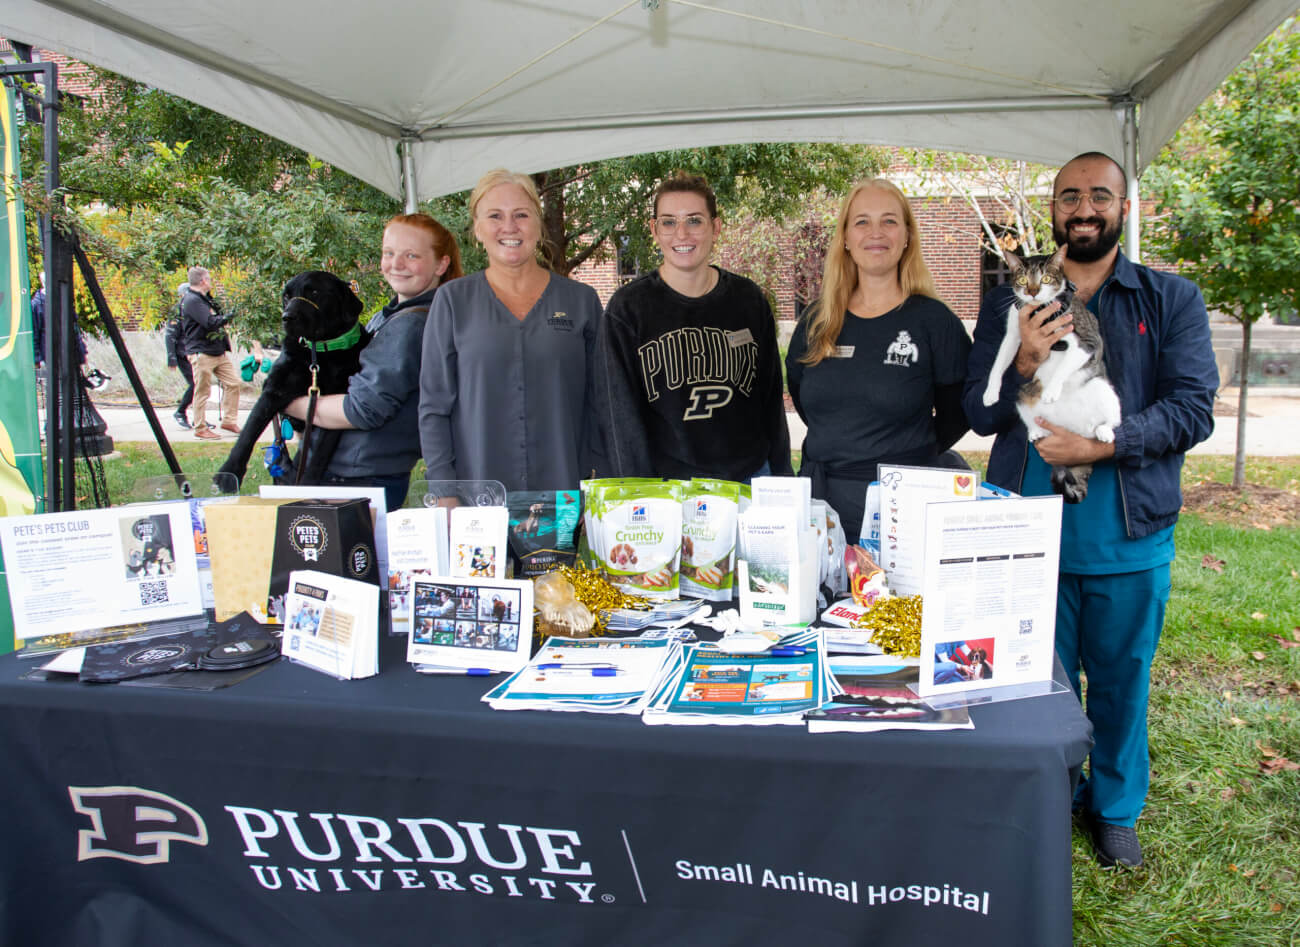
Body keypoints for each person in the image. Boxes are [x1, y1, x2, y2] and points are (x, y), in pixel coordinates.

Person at [964, 152, 1218, 869]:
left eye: (1099, 196)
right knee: (1033, 681)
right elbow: (977, 416)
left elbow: (1193, 409)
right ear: (1053, 211)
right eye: (1069, 196)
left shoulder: (1170, 300)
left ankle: (1113, 809)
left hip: (1128, 532)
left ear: (1123, 209)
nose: (1084, 207)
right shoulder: (1007, 305)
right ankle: (1047, 795)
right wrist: (1020, 364)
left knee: (1120, 677)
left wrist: (1103, 446)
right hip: (1028, 528)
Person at [785, 178, 971, 542]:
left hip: (901, 509)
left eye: (889, 221)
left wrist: (905, 452)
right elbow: (807, 399)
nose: (876, 233)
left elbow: (959, 411)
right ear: (845, 239)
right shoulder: (816, 321)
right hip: (820, 507)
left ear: (906, 237)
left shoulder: (934, 321)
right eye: (862, 222)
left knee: (893, 601)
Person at [596, 172, 792, 483]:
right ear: (654, 230)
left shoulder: (748, 301)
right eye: (669, 222)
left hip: (747, 479)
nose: (682, 234)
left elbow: (770, 402)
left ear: (715, 227)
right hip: (669, 487)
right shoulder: (629, 308)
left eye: (695, 221)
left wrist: (782, 479)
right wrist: (638, 492)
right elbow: (619, 417)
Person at [419, 169, 601, 492]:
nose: (509, 227)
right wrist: (444, 490)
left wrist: (597, 483)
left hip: (562, 498)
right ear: (477, 228)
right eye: (495, 216)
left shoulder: (581, 301)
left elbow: (601, 403)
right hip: (478, 502)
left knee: (555, 547)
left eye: (521, 214)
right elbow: (434, 406)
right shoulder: (452, 301)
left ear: (538, 223)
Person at [284, 213, 463, 512]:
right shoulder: (390, 315)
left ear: (441, 264)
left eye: (412, 255)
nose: (396, 264)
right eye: (389, 253)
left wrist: (286, 401)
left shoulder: (412, 325)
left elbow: (362, 409)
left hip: (356, 477)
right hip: (353, 473)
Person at [181, 267, 240, 440]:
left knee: (233, 383)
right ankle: (200, 427)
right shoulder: (192, 300)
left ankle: (229, 420)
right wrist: (230, 316)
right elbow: (209, 322)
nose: (211, 281)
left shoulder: (205, 299)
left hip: (217, 351)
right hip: (202, 352)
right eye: (209, 278)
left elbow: (216, 315)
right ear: (203, 281)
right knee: (202, 391)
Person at [164, 282, 195, 429]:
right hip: (182, 354)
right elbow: (170, 335)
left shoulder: (190, 309)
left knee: (201, 385)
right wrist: (172, 358)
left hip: (193, 351)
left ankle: (199, 418)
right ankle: (180, 412)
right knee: (195, 384)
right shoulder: (177, 311)